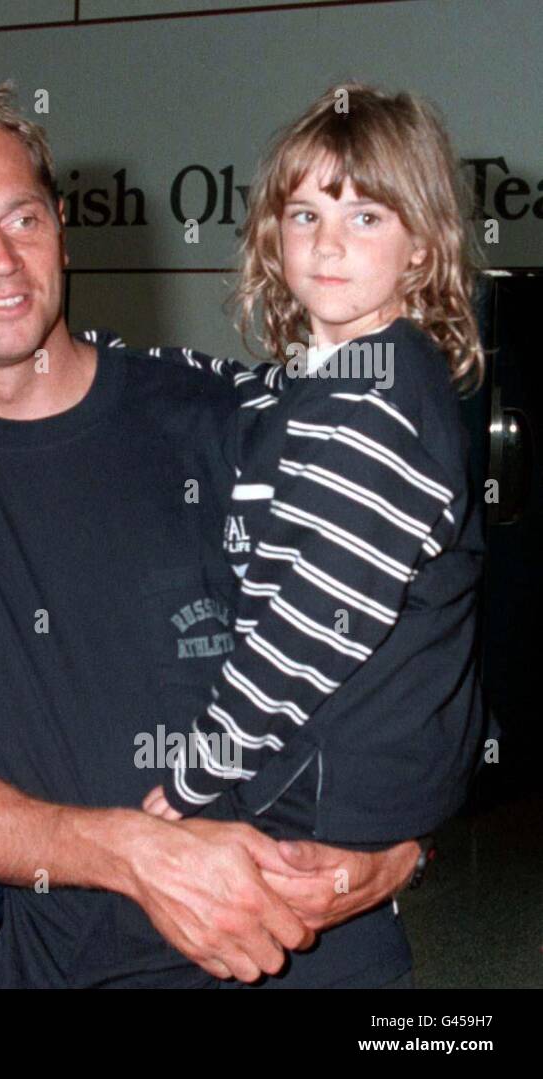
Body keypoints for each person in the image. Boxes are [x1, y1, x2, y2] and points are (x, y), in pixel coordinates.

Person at [0, 85, 421, 988]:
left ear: (63, 229)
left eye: (22, 218)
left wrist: (400, 848)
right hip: (77, 965)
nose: (0, 261)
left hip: (314, 949)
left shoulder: (236, 421)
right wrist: (132, 853)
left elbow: (413, 656)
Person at [127, 84, 484, 987]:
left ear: (422, 245)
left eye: (365, 214)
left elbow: (312, 627)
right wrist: (116, 364)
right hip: (336, 776)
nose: (328, 242)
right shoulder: (347, 373)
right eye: (304, 212)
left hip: (318, 786)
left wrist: (201, 767)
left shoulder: (373, 398)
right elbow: (248, 391)